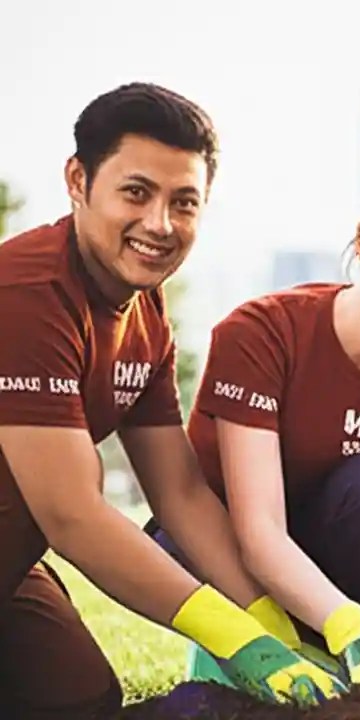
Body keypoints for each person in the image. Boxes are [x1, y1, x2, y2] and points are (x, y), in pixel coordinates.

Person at [0, 83, 341, 716]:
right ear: (78, 180)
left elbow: (180, 493)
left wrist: (271, 621)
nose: (160, 224)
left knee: (82, 698)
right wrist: (232, 637)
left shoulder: (147, 316)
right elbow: (71, 513)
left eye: (183, 203)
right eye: (136, 193)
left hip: (12, 567)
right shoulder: (24, 293)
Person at [149, 156, 360, 697]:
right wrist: (349, 627)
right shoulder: (263, 332)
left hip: (341, 562)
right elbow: (256, 527)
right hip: (227, 558)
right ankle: (243, 647)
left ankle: (347, 667)